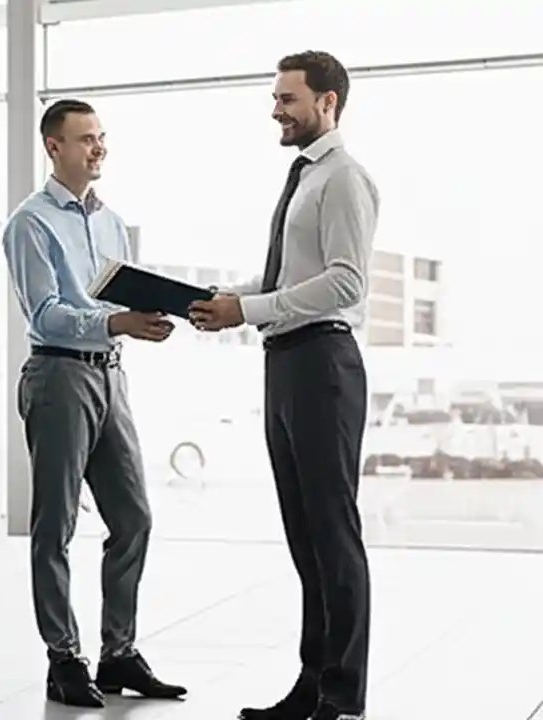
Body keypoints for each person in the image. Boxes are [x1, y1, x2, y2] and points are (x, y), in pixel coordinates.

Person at [188, 50, 378, 720]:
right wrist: (226, 300)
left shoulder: (344, 180)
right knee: (304, 536)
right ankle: (311, 683)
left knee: (332, 534)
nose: (275, 109)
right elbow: (285, 280)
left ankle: (342, 696)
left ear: (327, 102)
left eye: (287, 98)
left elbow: (346, 283)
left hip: (323, 365)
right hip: (286, 363)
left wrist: (251, 309)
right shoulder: (303, 179)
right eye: (275, 97)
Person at [3, 98, 187, 709]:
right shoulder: (30, 224)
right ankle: (64, 659)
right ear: (54, 147)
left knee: (133, 517)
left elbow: (114, 297)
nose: (98, 148)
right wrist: (117, 324)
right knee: (55, 525)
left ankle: (118, 654)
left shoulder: (110, 222)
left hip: (111, 376)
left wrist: (145, 316)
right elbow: (47, 313)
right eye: (86, 139)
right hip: (57, 378)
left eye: (101, 137)